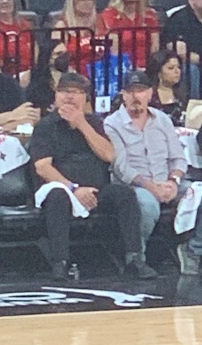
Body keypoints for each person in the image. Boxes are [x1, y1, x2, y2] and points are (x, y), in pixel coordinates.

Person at [28, 69, 157, 279]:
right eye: (64, 91)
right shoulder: (45, 126)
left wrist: (82, 124)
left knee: (124, 194)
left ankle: (134, 258)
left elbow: (109, 155)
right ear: (56, 96)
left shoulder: (94, 123)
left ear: (85, 98)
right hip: (62, 187)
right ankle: (60, 262)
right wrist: (73, 189)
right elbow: (43, 167)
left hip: (96, 189)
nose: (69, 96)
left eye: (76, 92)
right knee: (57, 197)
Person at [103, 68, 195, 269]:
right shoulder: (112, 124)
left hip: (167, 181)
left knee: (199, 193)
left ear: (150, 93)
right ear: (123, 95)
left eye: (141, 90)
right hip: (134, 185)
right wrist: (151, 187)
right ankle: (137, 258)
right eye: (131, 91)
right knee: (147, 204)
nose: (136, 96)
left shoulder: (162, 119)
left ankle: (193, 251)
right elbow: (121, 167)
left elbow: (178, 158)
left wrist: (173, 181)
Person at [102, 0, 160, 70]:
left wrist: (150, 69)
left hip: (147, 67)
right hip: (121, 67)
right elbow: (114, 50)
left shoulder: (150, 14)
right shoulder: (111, 14)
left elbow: (155, 48)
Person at [53, 0, 107, 76]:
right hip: (74, 76)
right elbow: (57, 60)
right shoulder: (62, 25)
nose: (87, 3)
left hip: (102, 73)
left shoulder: (101, 21)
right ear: (72, 2)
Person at [163, 0, 202, 97]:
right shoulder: (179, 19)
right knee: (191, 70)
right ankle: (193, 109)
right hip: (190, 64)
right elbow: (180, 53)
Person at [25, 38, 74, 115]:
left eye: (65, 53)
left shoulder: (72, 76)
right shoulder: (33, 77)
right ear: (47, 56)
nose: (63, 57)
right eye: (58, 54)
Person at [145, 47, 186, 124]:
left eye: (179, 67)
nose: (177, 71)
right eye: (171, 68)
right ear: (159, 73)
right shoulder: (149, 96)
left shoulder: (183, 94)